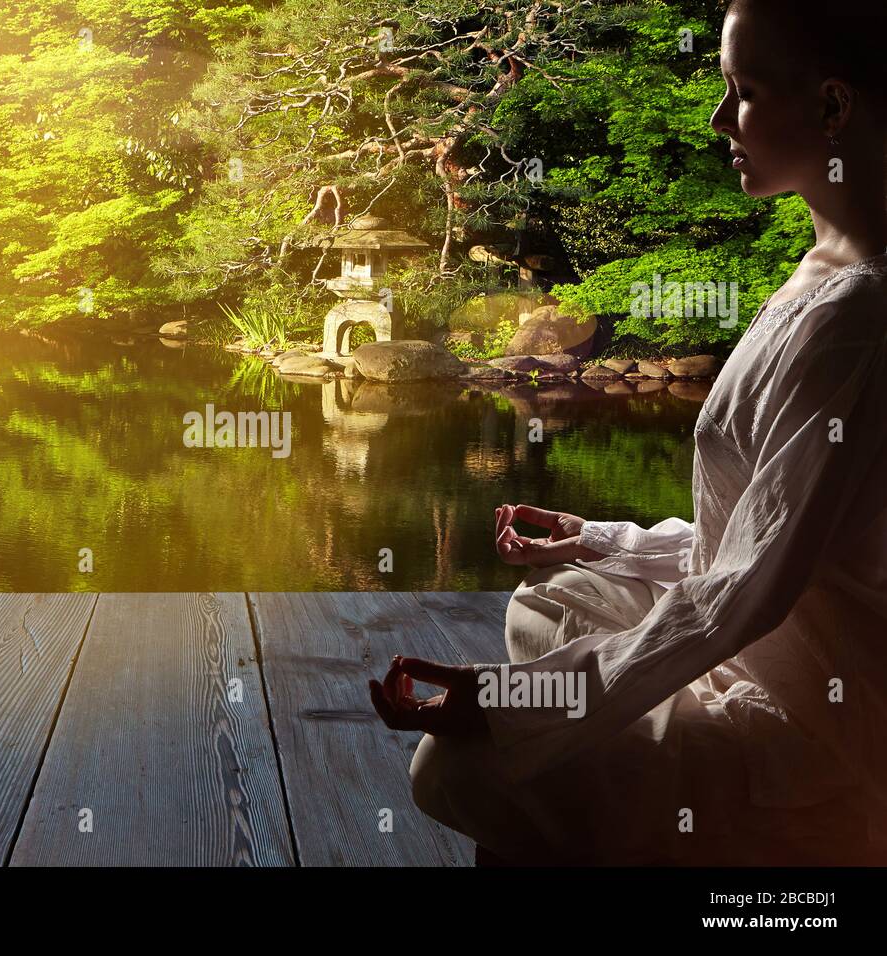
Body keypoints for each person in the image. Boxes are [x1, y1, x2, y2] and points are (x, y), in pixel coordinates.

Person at [370, 0, 887, 864]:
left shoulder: (857, 322)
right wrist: (603, 539)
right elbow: (758, 538)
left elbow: (747, 594)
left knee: (455, 770)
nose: (720, 119)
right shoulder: (822, 263)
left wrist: (507, 705)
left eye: (744, 91)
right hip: (765, 647)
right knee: (553, 600)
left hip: (819, 723)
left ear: (833, 108)